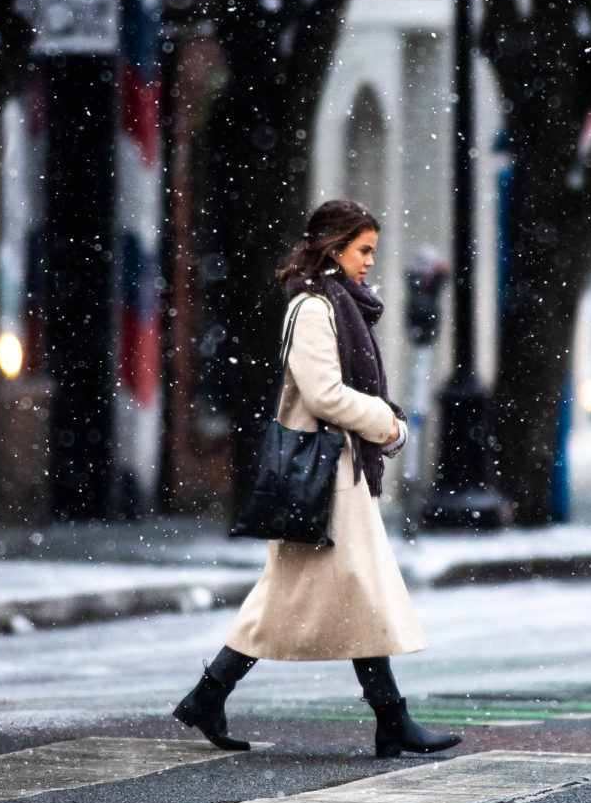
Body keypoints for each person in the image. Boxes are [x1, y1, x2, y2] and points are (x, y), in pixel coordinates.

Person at [174, 199, 462, 760]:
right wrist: (388, 424)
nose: (370, 262)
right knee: (346, 593)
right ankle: (390, 719)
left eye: (373, 251)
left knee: (331, 595)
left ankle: (212, 697)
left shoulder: (340, 305)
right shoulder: (313, 308)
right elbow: (323, 393)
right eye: (363, 250)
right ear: (333, 248)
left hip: (337, 473)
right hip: (323, 476)